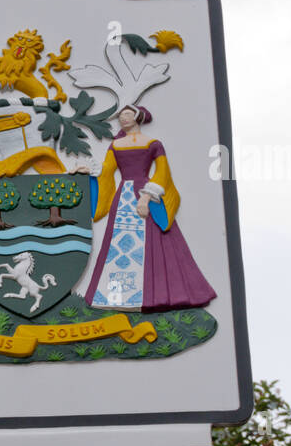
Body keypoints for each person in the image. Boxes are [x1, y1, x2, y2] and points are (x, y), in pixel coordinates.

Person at [82, 105, 216, 312]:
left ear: (137, 117)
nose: (123, 119)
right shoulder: (116, 145)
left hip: (145, 193)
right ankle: (116, 297)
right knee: (118, 247)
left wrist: (146, 196)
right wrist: (87, 170)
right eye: (120, 117)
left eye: (127, 115)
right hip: (123, 198)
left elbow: (162, 172)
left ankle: (158, 296)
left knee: (158, 247)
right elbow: (107, 169)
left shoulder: (153, 144)